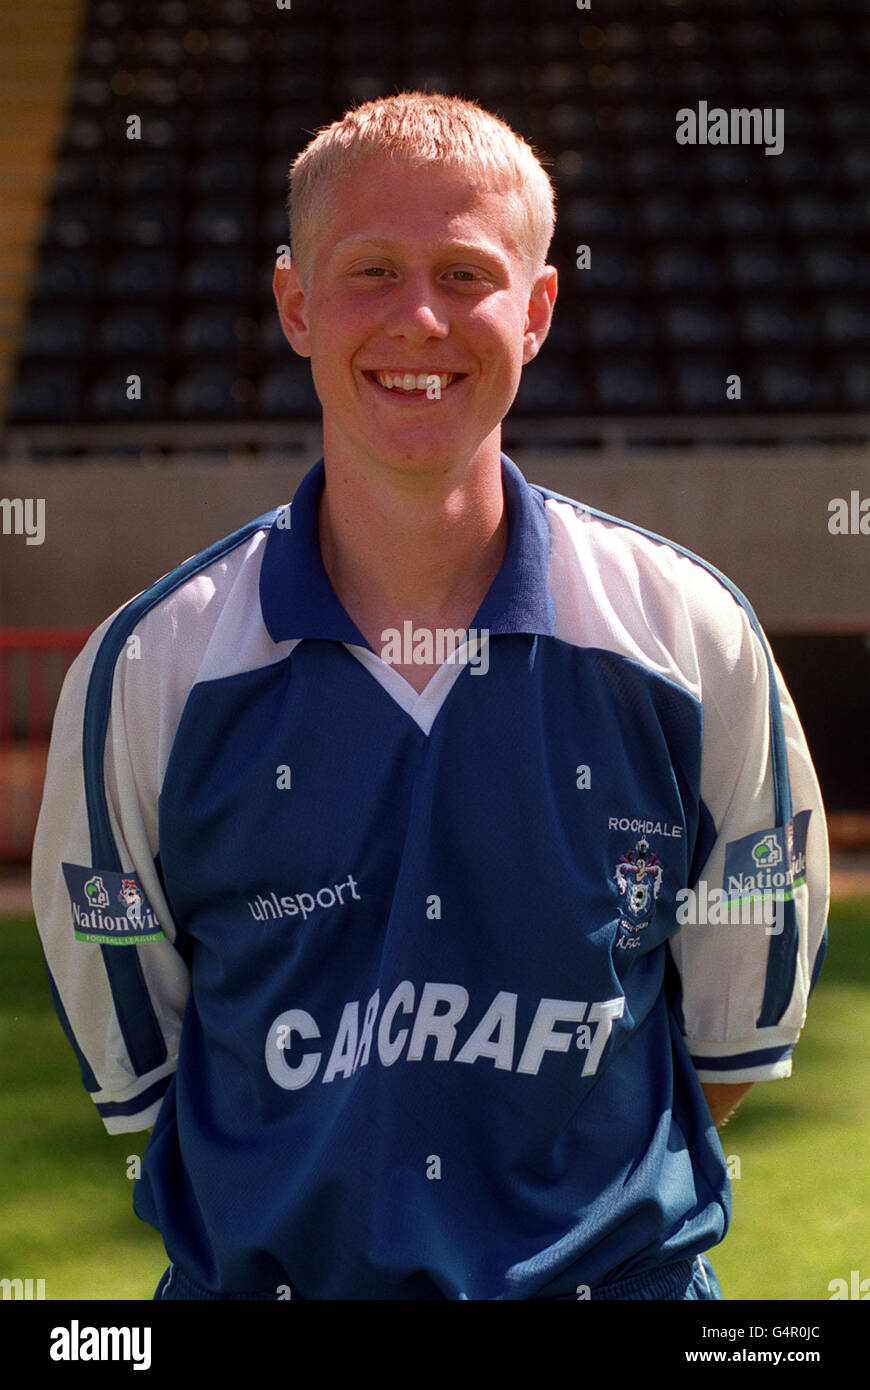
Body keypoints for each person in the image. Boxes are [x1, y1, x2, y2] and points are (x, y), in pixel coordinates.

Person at [31, 91, 829, 1301]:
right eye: (371, 272)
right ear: (295, 304)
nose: (419, 318)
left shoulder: (693, 639)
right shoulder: (150, 671)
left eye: (465, 272)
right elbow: (148, 1077)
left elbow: (725, 1043)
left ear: (539, 310)